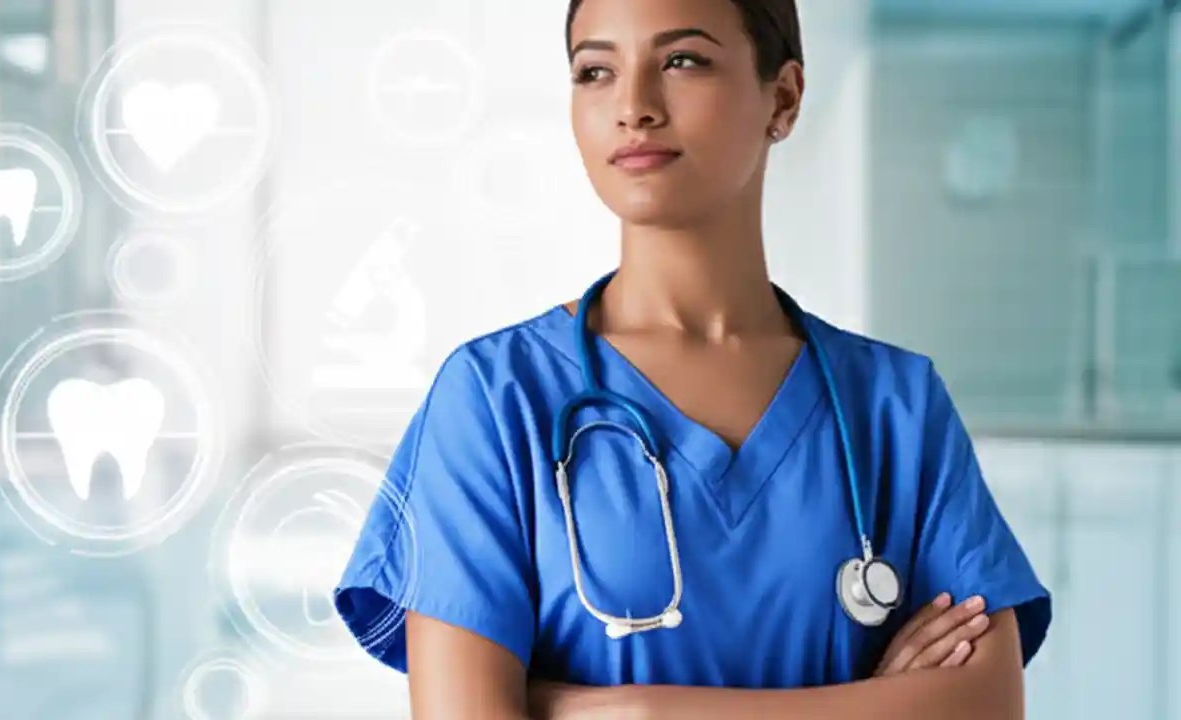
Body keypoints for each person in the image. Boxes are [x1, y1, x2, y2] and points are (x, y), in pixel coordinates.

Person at [332, 0, 1052, 717]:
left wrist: (630, 712)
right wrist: (879, 705)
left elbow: (987, 703)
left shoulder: (897, 404)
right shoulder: (495, 398)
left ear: (785, 97)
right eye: (596, 71)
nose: (633, 106)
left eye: (682, 61)